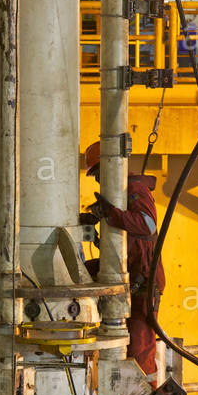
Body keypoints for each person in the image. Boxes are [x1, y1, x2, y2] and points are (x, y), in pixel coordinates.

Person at [78, 141, 165, 375]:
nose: (97, 181)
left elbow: (147, 225)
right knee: (80, 273)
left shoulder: (135, 190)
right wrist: (94, 222)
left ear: (110, 168)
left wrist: (111, 214)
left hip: (143, 278)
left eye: (98, 174)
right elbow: (123, 239)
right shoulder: (121, 195)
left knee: (139, 347)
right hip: (127, 271)